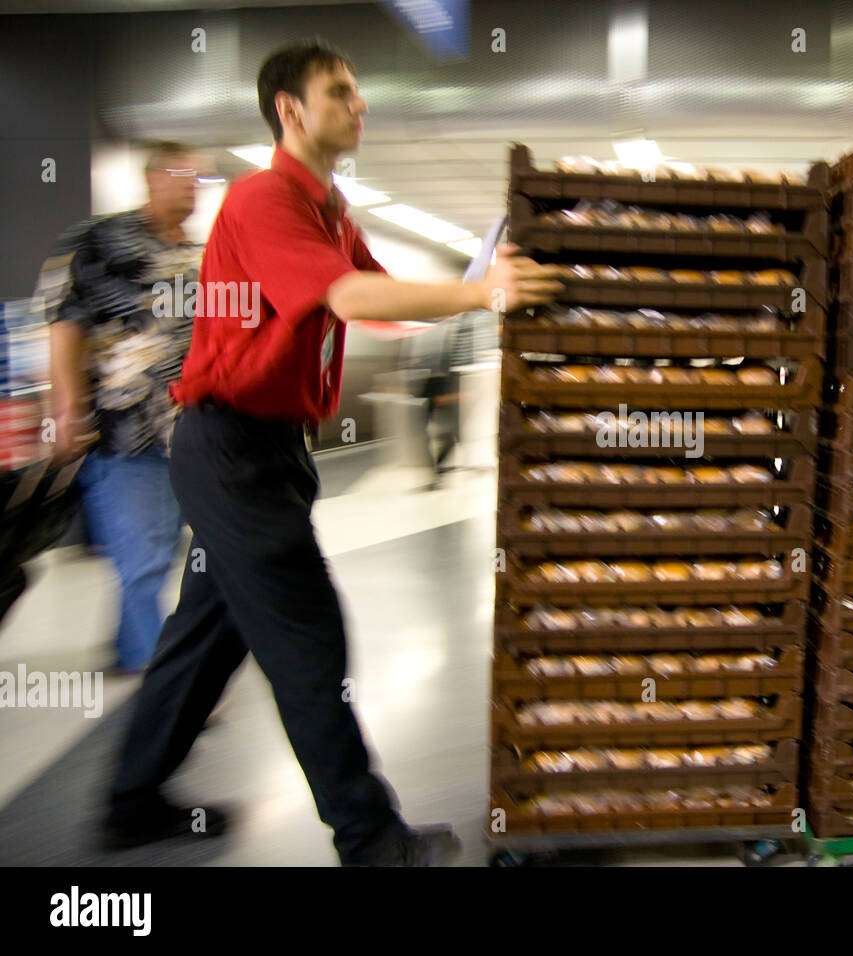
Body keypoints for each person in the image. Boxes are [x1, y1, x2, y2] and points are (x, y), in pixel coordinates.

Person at [101, 38, 562, 865]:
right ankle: (369, 836)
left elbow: (378, 302)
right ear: (291, 109)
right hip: (231, 449)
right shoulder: (262, 198)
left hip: (267, 452)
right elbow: (346, 296)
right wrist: (481, 291)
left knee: (205, 636)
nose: (360, 105)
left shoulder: (331, 212)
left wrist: (482, 274)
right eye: (341, 91)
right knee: (309, 639)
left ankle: (129, 802)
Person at [38, 141, 205, 673]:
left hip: (190, 431)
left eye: (199, 178)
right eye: (180, 173)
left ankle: (126, 641)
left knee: (160, 551)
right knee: (143, 559)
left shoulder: (201, 255)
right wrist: (65, 409)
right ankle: (160, 676)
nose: (190, 185)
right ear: (152, 177)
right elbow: (66, 321)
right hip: (122, 430)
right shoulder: (102, 240)